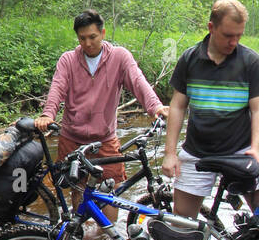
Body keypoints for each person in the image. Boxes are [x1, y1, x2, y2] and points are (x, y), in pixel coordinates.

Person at [160, 0, 259, 219]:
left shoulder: (251, 61)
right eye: (228, 35)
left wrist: (256, 149)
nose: (234, 42)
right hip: (196, 153)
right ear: (211, 27)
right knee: (181, 226)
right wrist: (170, 153)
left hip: (241, 151)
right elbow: (178, 106)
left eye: (239, 35)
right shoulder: (189, 59)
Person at [34, 10, 164, 188]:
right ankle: (81, 217)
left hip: (105, 138)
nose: (87, 43)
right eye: (82, 38)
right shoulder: (68, 60)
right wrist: (48, 114)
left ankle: (107, 218)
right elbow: (57, 88)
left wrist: (155, 107)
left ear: (103, 33)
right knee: (77, 190)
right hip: (72, 138)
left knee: (112, 190)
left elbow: (138, 82)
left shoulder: (120, 57)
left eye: (92, 37)